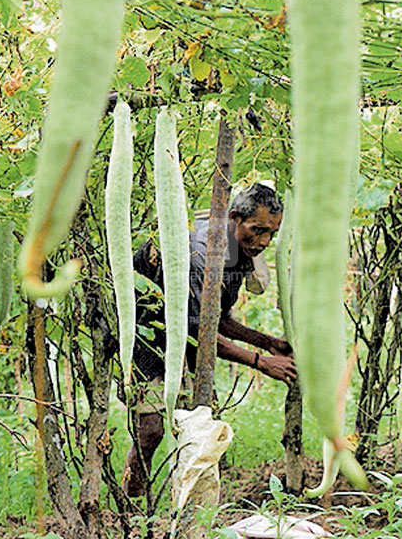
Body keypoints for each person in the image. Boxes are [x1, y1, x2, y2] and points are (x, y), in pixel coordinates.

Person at [122, 183, 297, 497]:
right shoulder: (201, 255)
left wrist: (266, 341)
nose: (263, 241)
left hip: (183, 334)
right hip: (143, 337)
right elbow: (199, 332)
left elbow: (217, 317)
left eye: (272, 232)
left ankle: (191, 508)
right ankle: (131, 509)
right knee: (150, 431)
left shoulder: (240, 249)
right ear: (233, 218)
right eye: (257, 230)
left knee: (201, 426)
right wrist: (261, 362)